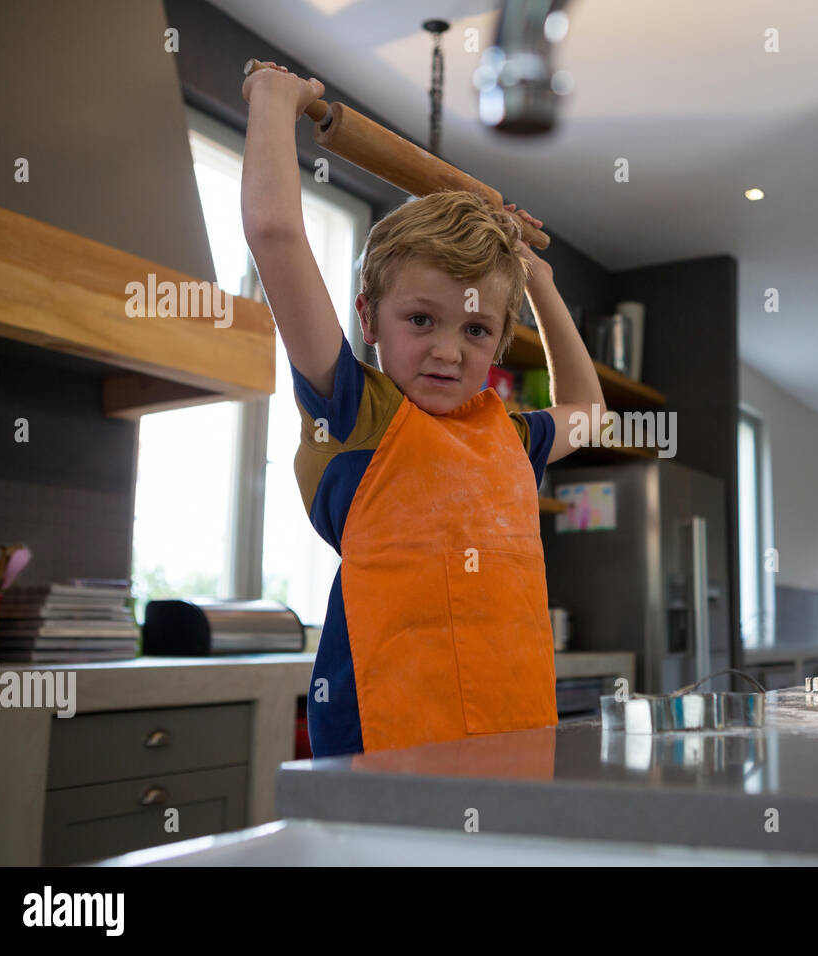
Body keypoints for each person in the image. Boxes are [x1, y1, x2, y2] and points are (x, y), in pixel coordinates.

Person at [240, 62, 606, 756]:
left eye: (474, 329)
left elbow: (588, 413)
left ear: (499, 340)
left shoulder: (506, 435)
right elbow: (274, 231)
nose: (447, 351)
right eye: (419, 319)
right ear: (369, 319)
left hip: (517, 737)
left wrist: (538, 282)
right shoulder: (352, 411)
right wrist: (271, 101)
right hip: (386, 749)